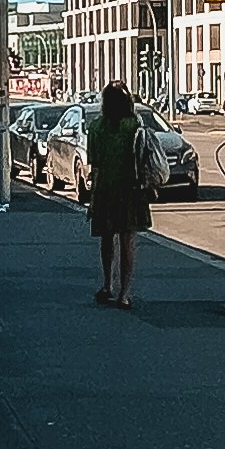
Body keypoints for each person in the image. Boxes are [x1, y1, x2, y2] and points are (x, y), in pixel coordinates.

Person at [84, 79, 151, 307]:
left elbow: (96, 167)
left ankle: (107, 284)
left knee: (106, 238)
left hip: (105, 191)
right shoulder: (134, 125)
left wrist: (92, 200)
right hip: (131, 190)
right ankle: (124, 293)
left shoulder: (96, 127)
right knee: (127, 241)